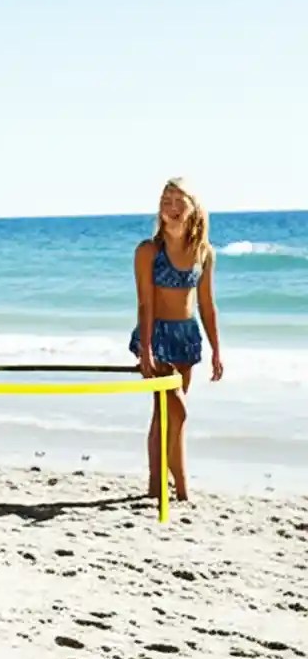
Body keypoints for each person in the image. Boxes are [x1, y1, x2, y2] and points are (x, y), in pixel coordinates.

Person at [130, 177, 223, 502]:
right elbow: (145, 303)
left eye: (177, 201)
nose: (170, 208)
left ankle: (158, 487)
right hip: (157, 336)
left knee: (166, 414)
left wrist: (216, 350)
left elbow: (207, 305)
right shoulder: (148, 251)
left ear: (192, 207)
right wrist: (146, 349)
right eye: (165, 201)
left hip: (187, 337)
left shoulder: (203, 252)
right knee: (177, 411)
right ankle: (181, 490)